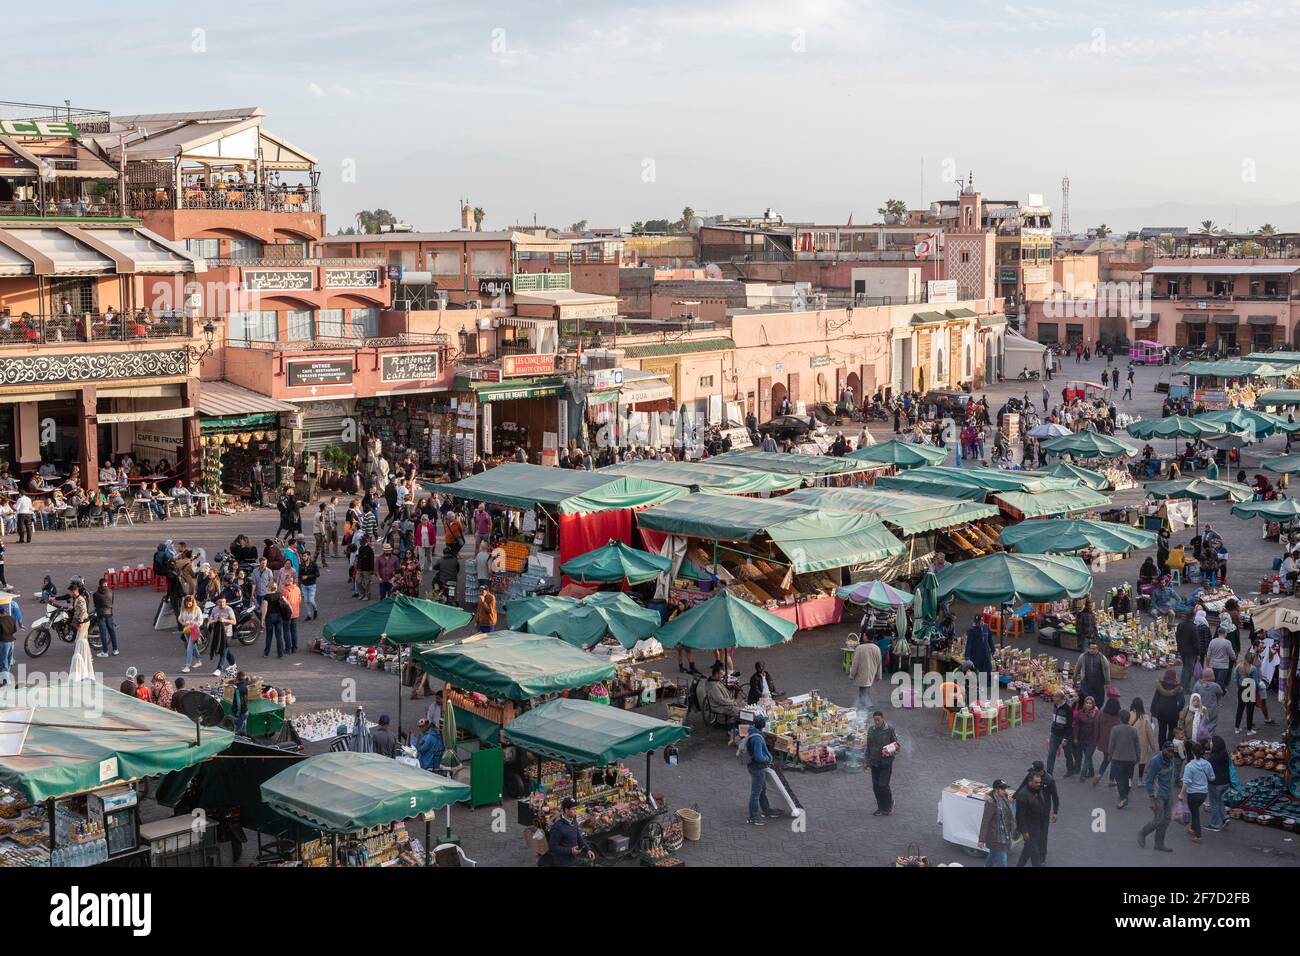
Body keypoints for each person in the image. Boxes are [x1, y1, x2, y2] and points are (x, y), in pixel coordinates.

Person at [740, 713, 778, 826]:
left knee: (762, 789)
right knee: (756, 793)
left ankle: (766, 810)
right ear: (763, 725)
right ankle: (753, 817)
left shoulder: (751, 731)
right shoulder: (757, 737)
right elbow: (758, 756)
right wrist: (768, 758)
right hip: (758, 767)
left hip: (753, 766)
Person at [1179, 742, 1215, 844]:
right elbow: (1212, 777)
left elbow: (1186, 782)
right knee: (1195, 810)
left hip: (1193, 794)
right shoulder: (1207, 764)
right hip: (1203, 793)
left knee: (1195, 813)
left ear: (1192, 752)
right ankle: (1192, 828)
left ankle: (1198, 835)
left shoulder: (1189, 766)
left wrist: (1181, 793)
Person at [865, 710, 898, 816]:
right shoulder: (871, 730)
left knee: (883, 785)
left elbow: (896, 745)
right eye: (875, 720)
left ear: (883, 718)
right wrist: (866, 761)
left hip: (885, 763)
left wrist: (889, 752)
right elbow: (868, 747)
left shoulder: (889, 730)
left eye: (878, 720)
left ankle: (889, 805)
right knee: (876, 786)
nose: (877, 722)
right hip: (874, 762)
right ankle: (880, 807)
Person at [1014, 770, 1050, 867]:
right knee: (1035, 855)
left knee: (1027, 850)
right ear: (1030, 781)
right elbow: (1020, 815)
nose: (1039, 784)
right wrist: (1024, 831)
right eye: (1036, 782)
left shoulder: (1037, 790)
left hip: (1037, 826)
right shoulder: (1023, 795)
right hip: (1029, 829)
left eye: (1039, 782)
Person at [978, 779, 1016, 867]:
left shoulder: (1004, 797)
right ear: (996, 789)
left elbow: (1007, 815)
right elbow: (985, 821)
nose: (1005, 791)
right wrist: (981, 840)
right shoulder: (990, 803)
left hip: (1004, 835)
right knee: (1002, 860)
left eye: (1005, 789)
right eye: (1002, 789)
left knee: (992, 855)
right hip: (996, 837)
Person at [547, 797, 595, 865]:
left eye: (576, 808)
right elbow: (552, 847)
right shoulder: (558, 827)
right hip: (563, 863)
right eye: (573, 809)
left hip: (574, 859)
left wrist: (588, 849)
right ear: (566, 810)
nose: (575, 811)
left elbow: (578, 836)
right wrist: (570, 851)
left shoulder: (573, 820)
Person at [1107, 708, 1140, 808]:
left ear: (1119, 718)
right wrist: (1138, 756)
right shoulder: (1134, 730)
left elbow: (1111, 744)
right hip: (1130, 759)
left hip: (1118, 758)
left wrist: (1110, 755)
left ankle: (1123, 797)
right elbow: (1137, 745)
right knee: (1129, 777)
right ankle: (1126, 792)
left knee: (1119, 778)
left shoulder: (1115, 729)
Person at [1093, 688, 1123, 788]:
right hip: (1115, 743)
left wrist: (1096, 740)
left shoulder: (1101, 713)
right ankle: (1111, 780)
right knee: (1114, 761)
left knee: (1106, 760)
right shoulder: (1119, 715)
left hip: (1104, 741)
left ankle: (1099, 774)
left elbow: (1096, 727)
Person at [67, 582, 95, 682]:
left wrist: (80, 621)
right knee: (82, 640)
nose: (69, 593)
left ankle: (80, 660)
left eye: (69, 591)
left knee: (79, 640)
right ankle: (86, 657)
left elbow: (84, 611)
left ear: (74, 591)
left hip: (83, 623)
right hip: (81, 623)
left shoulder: (80, 599)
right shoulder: (76, 599)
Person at [1046, 690, 1077, 777]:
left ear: (1061, 698)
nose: (1053, 698)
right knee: (1051, 754)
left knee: (1067, 754)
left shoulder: (1068, 710)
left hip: (1064, 736)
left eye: (1055, 696)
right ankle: (1049, 774)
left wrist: (1065, 738)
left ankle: (1070, 770)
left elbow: (1069, 725)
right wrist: (1051, 731)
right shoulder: (1055, 705)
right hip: (1054, 734)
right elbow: (1054, 719)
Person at [848, 636, 882, 714]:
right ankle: (864, 708)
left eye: (864, 636)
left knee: (863, 693)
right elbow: (879, 663)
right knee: (864, 691)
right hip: (871, 673)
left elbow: (855, 663)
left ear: (866, 637)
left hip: (862, 674)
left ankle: (867, 708)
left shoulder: (860, 648)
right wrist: (879, 675)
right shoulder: (877, 648)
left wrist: (852, 675)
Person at [1205, 735, 1232, 832]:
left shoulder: (1212, 758)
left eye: (1211, 742)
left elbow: (1206, 769)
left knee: (1214, 803)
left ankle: (1214, 824)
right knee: (1220, 800)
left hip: (1215, 784)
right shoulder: (1224, 753)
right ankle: (1225, 817)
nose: (1210, 743)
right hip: (1226, 782)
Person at [1075, 639, 1110, 707]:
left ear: (1097, 648)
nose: (1092, 650)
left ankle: (1096, 712)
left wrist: (1107, 682)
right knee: (1085, 698)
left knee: (1099, 700)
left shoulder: (1102, 658)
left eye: (1094, 648)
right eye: (1090, 648)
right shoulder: (1083, 656)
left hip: (1098, 684)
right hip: (1086, 683)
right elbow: (1077, 667)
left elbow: (1107, 669)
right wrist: (1075, 677)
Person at [207, 594, 237, 675]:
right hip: (218, 633)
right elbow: (210, 621)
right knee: (225, 650)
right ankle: (233, 663)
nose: (222, 604)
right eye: (220, 602)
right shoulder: (214, 609)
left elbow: (234, 622)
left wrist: (224, 620)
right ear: (217, 602)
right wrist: (215, 620)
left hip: (227, 633)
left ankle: (219, 669)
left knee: (223, 650)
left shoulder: (229, 609)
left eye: (224, 602)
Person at [1191, 667, 1224, 737]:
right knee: (1212, 724)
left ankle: (1201, 737)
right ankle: (1209, 739)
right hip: (1212, 710)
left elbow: (1193, 694)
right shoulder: (1215, 686)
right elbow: (1220, 693)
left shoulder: (1197, 685)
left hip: (1200, 709)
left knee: (1201, 724)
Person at [177, 594, 204, 674]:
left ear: (193, 603)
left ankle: (187, 666)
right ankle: (199, 660)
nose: (188, 605)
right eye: (186, 603)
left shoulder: (197, 609)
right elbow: (179, 618)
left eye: (190, 604)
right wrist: (183, 623)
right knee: (193, 646)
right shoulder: (183, 609)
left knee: (189, 647)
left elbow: (200, 621)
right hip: (186, 630)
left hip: (194, 630)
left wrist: (191, 623)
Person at [1175, 611, 1200, 693]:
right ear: (1192, 617)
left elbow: (1177, 637)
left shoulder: (1180, 624)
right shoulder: (1193, 628)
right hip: (1191, 652)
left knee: (1185, 668)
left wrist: (1179, 648)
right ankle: (1186, 688)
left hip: (1182, 650)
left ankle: (1182, 686)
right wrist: (1198, 653)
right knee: (1188, 670)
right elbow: (1195, 642)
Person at [93, 576, 118, 658]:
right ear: (106, 584)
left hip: (101, 615)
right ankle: (115, 650)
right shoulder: (111, 592)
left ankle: (105, 651)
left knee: (103, 633)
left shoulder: (96, 594)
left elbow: (96, 605)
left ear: (100, 585)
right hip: (109, 614)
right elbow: (112, 603)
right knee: (112, 631)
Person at [1205, 626, 1237, 691]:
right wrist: (1234, 660)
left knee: (1213, 680)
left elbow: (1208, 655)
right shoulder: (1227, 642)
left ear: (1218, 633)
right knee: (1220, 682)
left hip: (1214, 665)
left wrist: (1207, 665)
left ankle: (1212, 692)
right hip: (1223, 666)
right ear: (1225, 633)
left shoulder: (1212, 641)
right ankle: (1217, 694)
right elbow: (1232, 654)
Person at [261, 582, 287, 659]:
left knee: (269, 636)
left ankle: (266, 653)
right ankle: (280, 654)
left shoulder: (266, 597)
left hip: (270, 617)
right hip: (278, 617)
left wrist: (262, 619)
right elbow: (286, 603)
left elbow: (265, 608)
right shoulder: (279, 595)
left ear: (269, 588)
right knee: (279, 636)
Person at [231, 671, 250, 736]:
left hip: (240, 712)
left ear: (237, 678)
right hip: (246, 710)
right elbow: (247, 679)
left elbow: (239, 703)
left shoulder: (238, 690)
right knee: (244, 729)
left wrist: (237, 714)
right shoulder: (245, 684)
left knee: (237, 731)